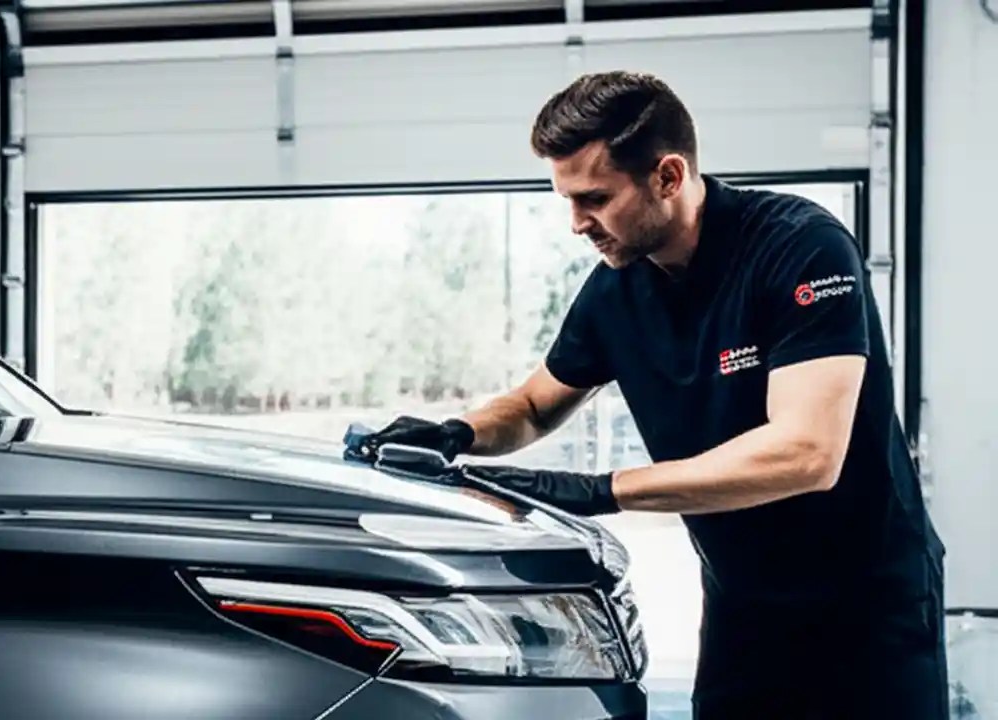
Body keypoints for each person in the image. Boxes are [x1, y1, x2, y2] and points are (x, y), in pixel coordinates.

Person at [355, 71, 947, 718]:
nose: (577, 224)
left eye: (596, 198)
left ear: (668, 176)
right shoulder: (619, 287)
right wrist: (455, 433)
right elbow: (531, 406)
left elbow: (806, 452)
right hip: (742, 605)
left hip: (868, 605)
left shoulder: (800, 248)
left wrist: (598, 490)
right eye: (569, 201)